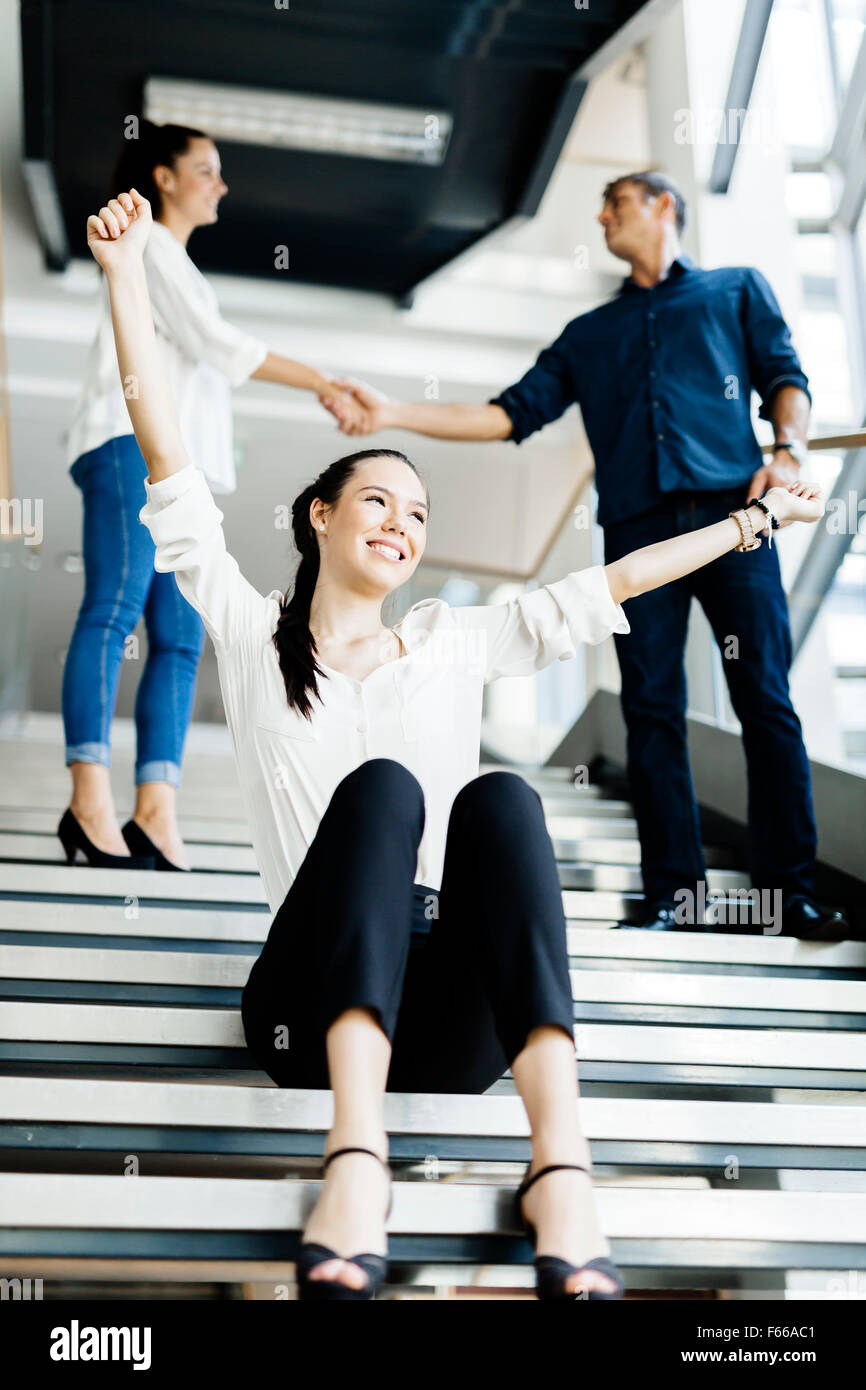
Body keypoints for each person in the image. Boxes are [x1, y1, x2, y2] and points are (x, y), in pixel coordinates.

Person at [88, 187, 823, 1301]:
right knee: (385, 788)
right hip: (305, 1003)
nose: (401, 523)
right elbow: (164, 442)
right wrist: (124, 278)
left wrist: (750, 522)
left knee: (502, 802)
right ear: (319, 518)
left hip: (452, 1023)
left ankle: (560, 1170)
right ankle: (354, 1158)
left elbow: (612, 579)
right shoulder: (246, 630)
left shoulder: (452, 642)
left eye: (419, 515)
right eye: (377, 500)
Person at [322, 170, 849, 941]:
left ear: (664, 206)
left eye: (617, 203)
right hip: (638, 531)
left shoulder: (737, 288)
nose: (602, 217)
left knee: (765, 700)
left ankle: (790, 895)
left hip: (739, 517)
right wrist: (390, 409)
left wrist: (792, 452)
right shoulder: (587, 335)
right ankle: (676, 895)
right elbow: (507, 415)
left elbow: (784, 379)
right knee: (649, 710)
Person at [60, 120, 363, 872]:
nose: (221, 185)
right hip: (126, 444)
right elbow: (220, 348)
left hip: (180, 467)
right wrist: (325, 381)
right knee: (114, 608)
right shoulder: (150, 245)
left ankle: (155, 811)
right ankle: (87, 797)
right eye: (207, 170)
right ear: (163, 176)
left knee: (183, 637)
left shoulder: (182, 264)